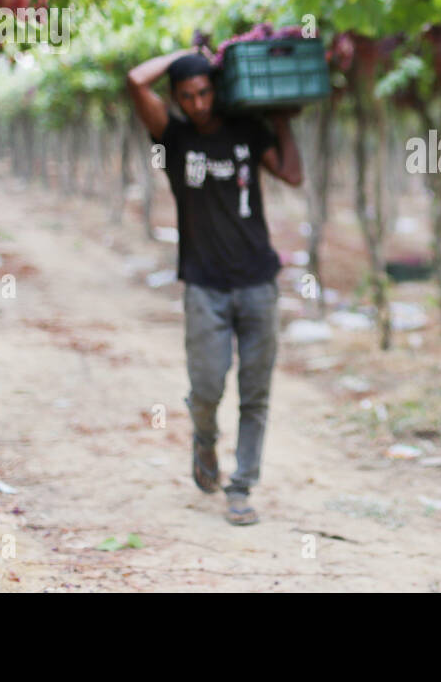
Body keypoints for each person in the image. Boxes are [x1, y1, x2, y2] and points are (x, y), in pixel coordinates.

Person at [126, 45, 303, 526]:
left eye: (204, 92)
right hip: (204, 286)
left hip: (257, 283)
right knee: (206, 387)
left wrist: (282, 119)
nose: (198, 104)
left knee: (256, 392)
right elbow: (135, 80)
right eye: (186, 96)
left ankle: (241, 486)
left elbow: (292, 173)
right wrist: (190, 52)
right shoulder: (174, 138)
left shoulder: (247, 130)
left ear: (216, 90)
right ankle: (204, 440)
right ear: (177, 99)